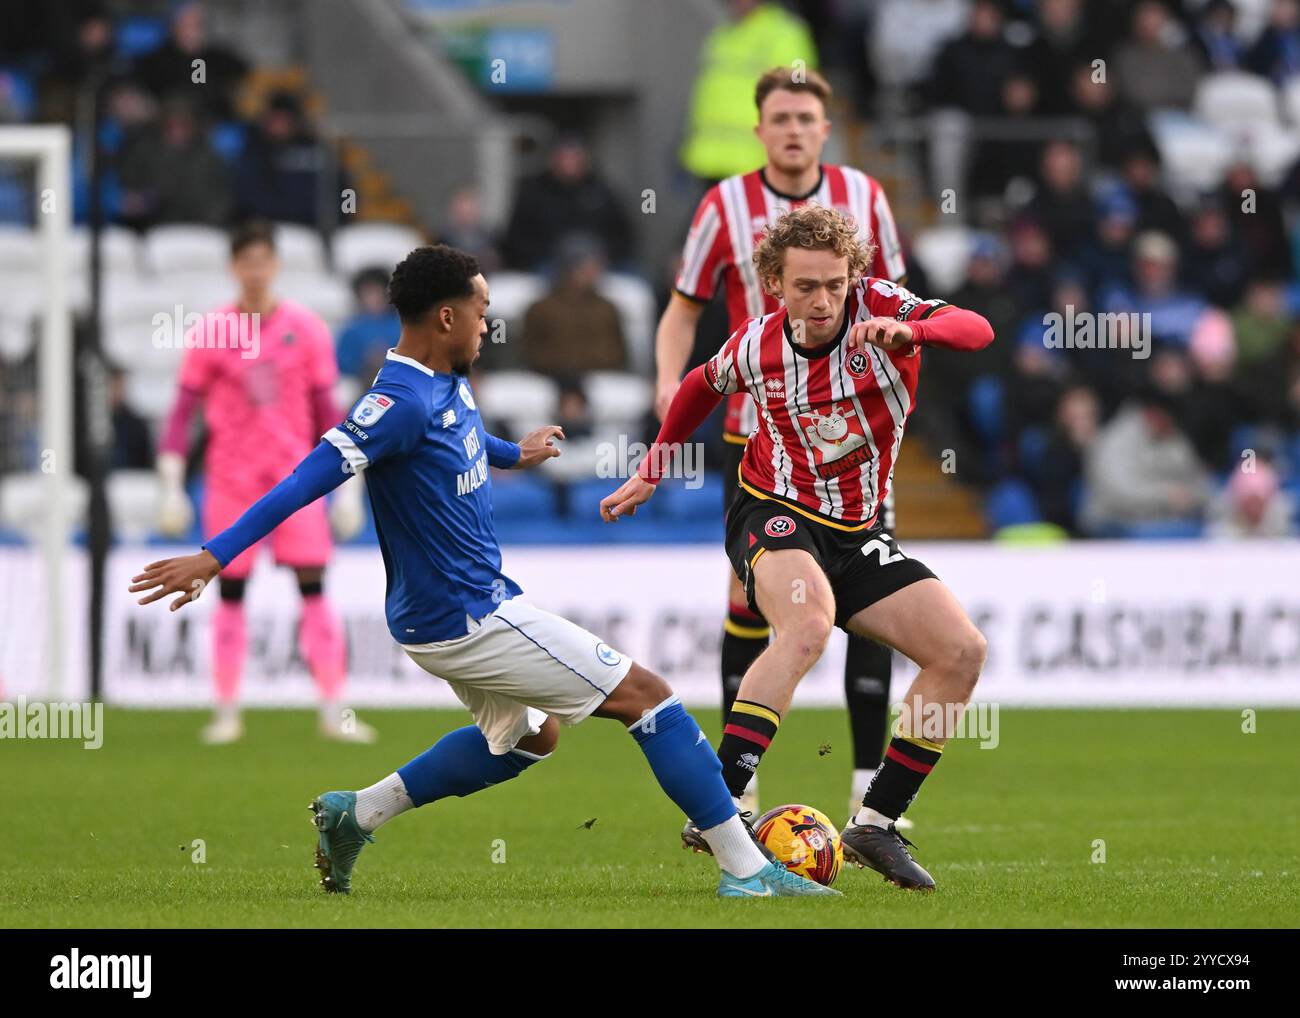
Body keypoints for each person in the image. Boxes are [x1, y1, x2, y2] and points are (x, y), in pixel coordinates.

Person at [131, 244, 836, 900]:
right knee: (648, 697)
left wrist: (512, 453)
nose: (487, 325)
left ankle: (356, 813)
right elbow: (303, 480)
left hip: (449, 612)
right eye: (481, 311)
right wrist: (214, 555)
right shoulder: (397, 402)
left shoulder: (446, 378)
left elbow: (458, 433)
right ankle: (747, 871)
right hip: (465, 614)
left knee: (531, 740)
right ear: (447, 317)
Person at [604, 205, 994, 890]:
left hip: (857, 531)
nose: (823, 301)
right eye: (806, 286)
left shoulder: (883, 308)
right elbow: (698, 385)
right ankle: (718, 802)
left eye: (835, 285)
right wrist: (654, 467)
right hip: (773, 510)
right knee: (808, 625)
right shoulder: (757, 344)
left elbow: (977, 329)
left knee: (961, 651)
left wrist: (913, 331)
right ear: (775, 285)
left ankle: (875, 823)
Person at [657, 66, 908, 822]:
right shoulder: (723, 205)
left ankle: (867, 785)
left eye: (806, 118)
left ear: (825, 129)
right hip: (756, 434)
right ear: (759, 130)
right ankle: (739, 789)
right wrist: (669, 383)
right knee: (750, 601)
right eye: (781, 118)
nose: (794, 130)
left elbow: (897, 303)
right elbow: (684, 308)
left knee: (872, 595)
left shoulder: (865, 196)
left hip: (855, 438)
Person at [156, 221, 369, 745]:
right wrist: (171, 483)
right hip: (232, 480)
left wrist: (350, 488)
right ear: (234, 267)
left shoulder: (307, 329)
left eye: (263, 261)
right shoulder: (212, 331)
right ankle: (227, 711)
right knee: (228, 591)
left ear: (275, 265)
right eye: (246, 262)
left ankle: (333, 710)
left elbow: (328, 412)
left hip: (297, 481)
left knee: (314, 588)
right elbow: (182, 412)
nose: (255, 272)